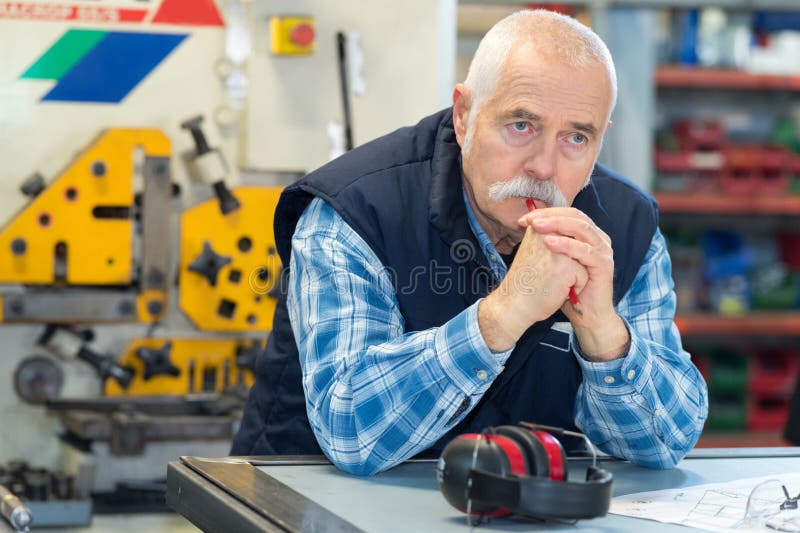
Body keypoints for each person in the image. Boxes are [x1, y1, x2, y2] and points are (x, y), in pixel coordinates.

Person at [231, 9, 708, 475]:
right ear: (464, 115)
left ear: (600, 139)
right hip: (303, 504)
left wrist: (604, 334)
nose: (543, 166)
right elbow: (352, 431)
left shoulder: (626, 228)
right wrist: (503, 315)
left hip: (516, 509)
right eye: (521, 126)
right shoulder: (356, 212)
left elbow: (666, 443)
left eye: (576, 138)